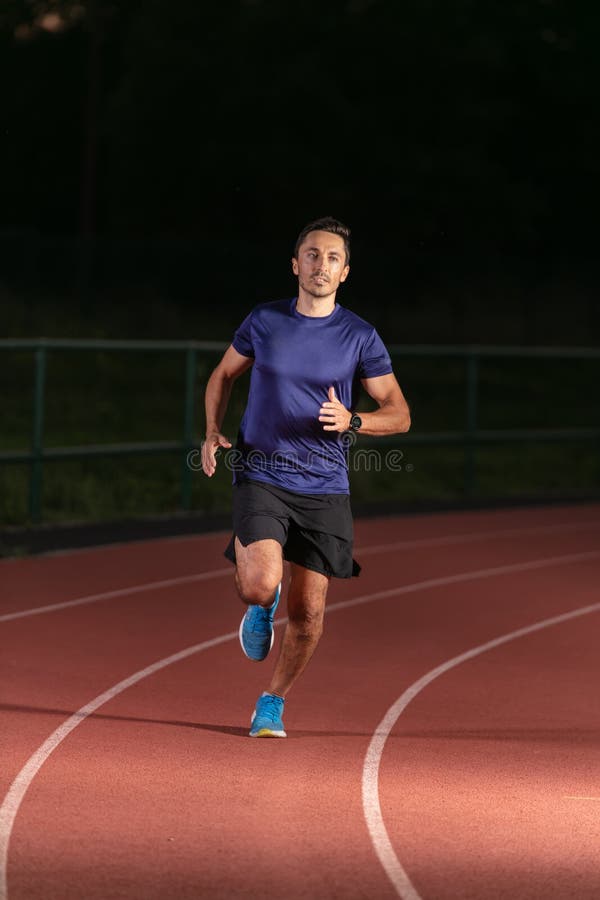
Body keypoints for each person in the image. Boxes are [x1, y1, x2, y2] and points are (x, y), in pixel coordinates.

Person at [201, 216, 410, 737]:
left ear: (345, 273)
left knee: (309, 613)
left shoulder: (360, 336)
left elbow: (399, 412)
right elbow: (224, 374)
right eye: (313, 255)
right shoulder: (265, 321)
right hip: (261, 470)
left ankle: (271, 702)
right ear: (296, 265)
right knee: (259, 583)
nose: (321, 265)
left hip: (324, 485)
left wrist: (354, 420)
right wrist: (211, 430)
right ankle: (261, 600)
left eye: (333, 258)